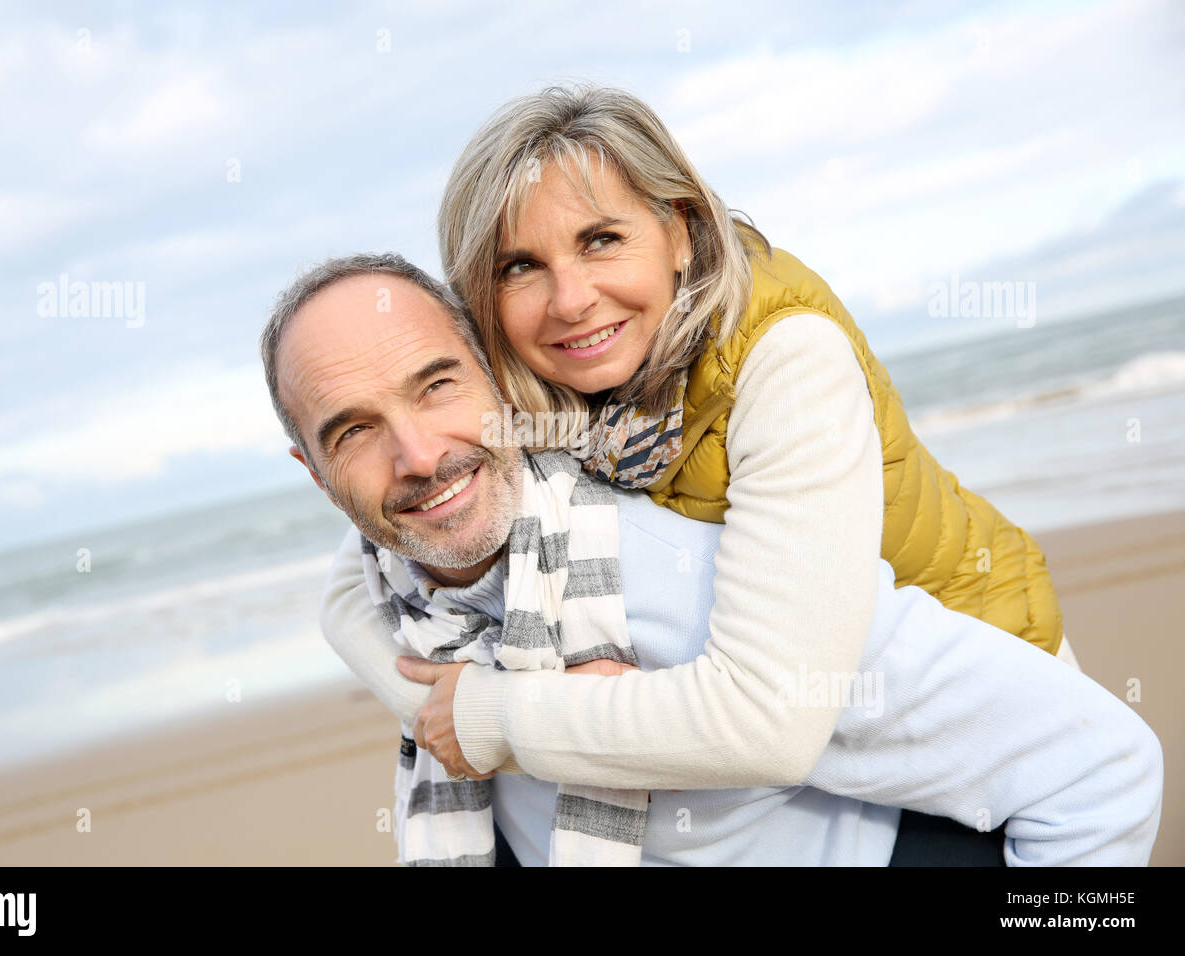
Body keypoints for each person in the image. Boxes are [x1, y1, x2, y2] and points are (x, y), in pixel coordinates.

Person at [260, 252, 1162, 865]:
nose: (417, 455)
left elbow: (1102, 764)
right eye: (355, 431)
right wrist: (438, 709)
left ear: (498, 375)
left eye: (437, 385)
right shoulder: (397, 604)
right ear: (314, 473)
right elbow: (353, 596)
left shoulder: (681, 580)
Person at [321, 84, 1076, 791]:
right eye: (521, 266)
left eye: (601, 239)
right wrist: (436, 707)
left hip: (1004, 709)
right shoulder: (529, 393)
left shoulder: (785, 361)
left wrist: (493, 716)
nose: (572, 300)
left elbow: (769, 728)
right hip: (846, 736)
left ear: (679, 232)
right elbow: (354, 581)